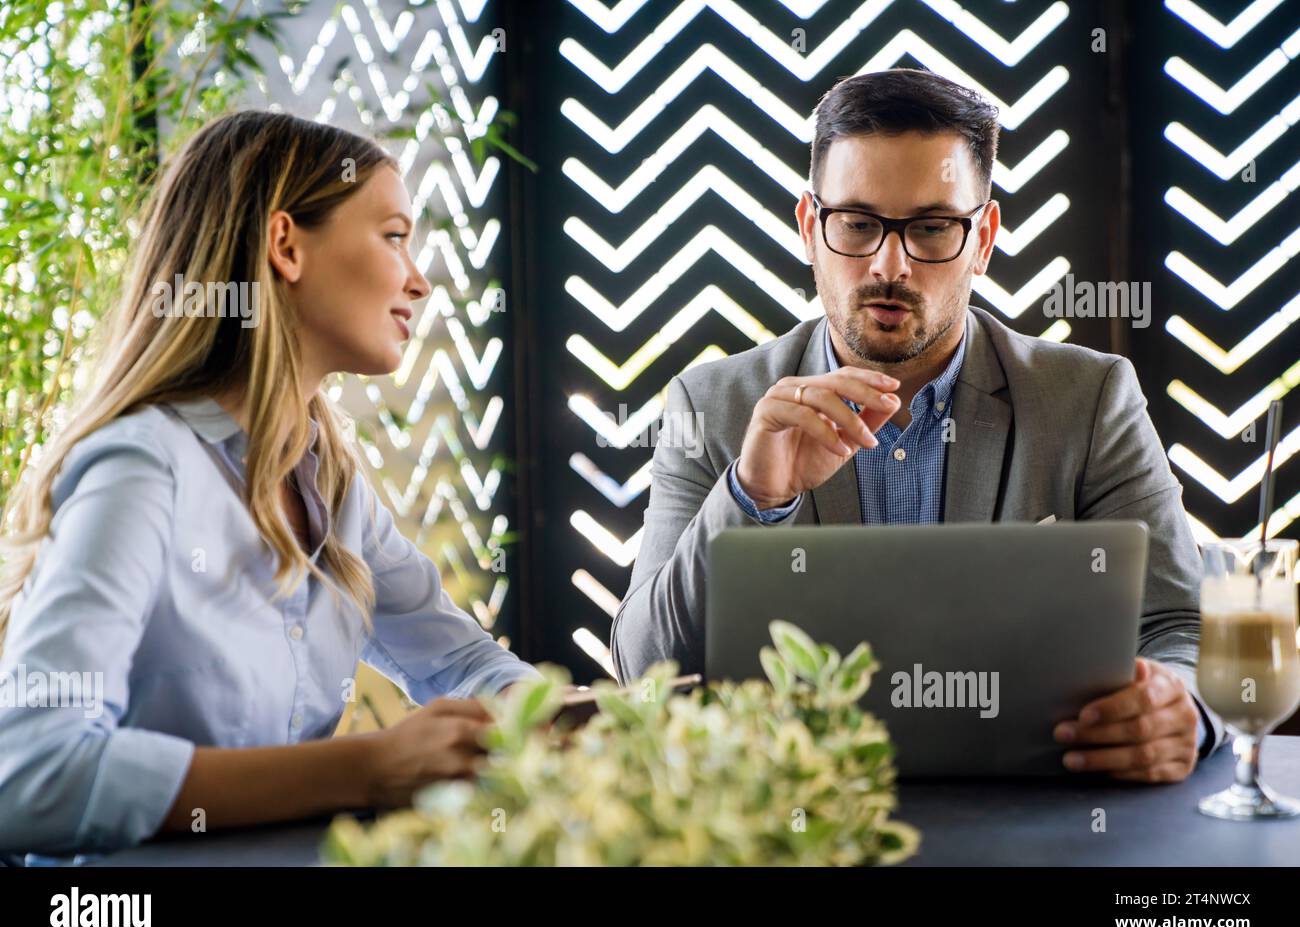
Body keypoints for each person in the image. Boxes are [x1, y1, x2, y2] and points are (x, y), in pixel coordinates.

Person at [610, 69, 1222, 784]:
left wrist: (1182, 706)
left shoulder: (1090, 399)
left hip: (1031, 813)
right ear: (811, 227)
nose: (888, 265)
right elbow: (644, 672)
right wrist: (751, 495)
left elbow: (1184, 627)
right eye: (858, 224)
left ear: (983, 237)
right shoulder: (711, 403)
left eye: (932, 227)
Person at [0, 110, 538, 859]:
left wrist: (538, 716)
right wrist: (367, 768)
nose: (418, 281)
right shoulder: (144, 465)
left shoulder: (334, 482)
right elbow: (30, 777)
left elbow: (464, 662)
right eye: (393, 236)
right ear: (286, 245)